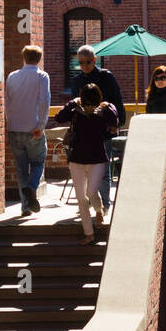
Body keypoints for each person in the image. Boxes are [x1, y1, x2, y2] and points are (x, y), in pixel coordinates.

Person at [55, 83, 118, 245]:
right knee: (81, 198)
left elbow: (115, 120)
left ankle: (98, 210)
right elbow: (59, 117)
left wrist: (107, 105)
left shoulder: (103, 111)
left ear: (98, 101)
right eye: (87, 103)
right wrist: (73, 103)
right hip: (77, 160)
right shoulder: (76, 111)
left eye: (93, 103)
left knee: (91, 191)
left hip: (98, 159)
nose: (89, 107)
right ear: (82, 100)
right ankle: (88, 233)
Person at [69, 45, 127, 210]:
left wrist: (117, 123)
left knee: (102, 168)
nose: (85, 65)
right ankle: (94, 203)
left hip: (103, 129)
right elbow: (73, 105)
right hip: (83, 131)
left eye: (88, 62)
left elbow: (117, 100)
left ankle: (105, 205)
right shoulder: (77, 80)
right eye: (81, 63)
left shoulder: (106, 76)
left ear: (95, 60)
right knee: (85, 169)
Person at [5, 44, 51, 216]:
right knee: (38, 162)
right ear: (39, 59)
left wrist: (10, 123)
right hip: (33, 128)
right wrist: (41, 125)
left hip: (14, 128)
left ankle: (25, 207)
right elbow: (44, 102)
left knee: (21, 168)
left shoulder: (12, 76)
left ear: (24, 58)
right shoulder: (42, 76)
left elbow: (7, 102)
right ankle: (31, 188)